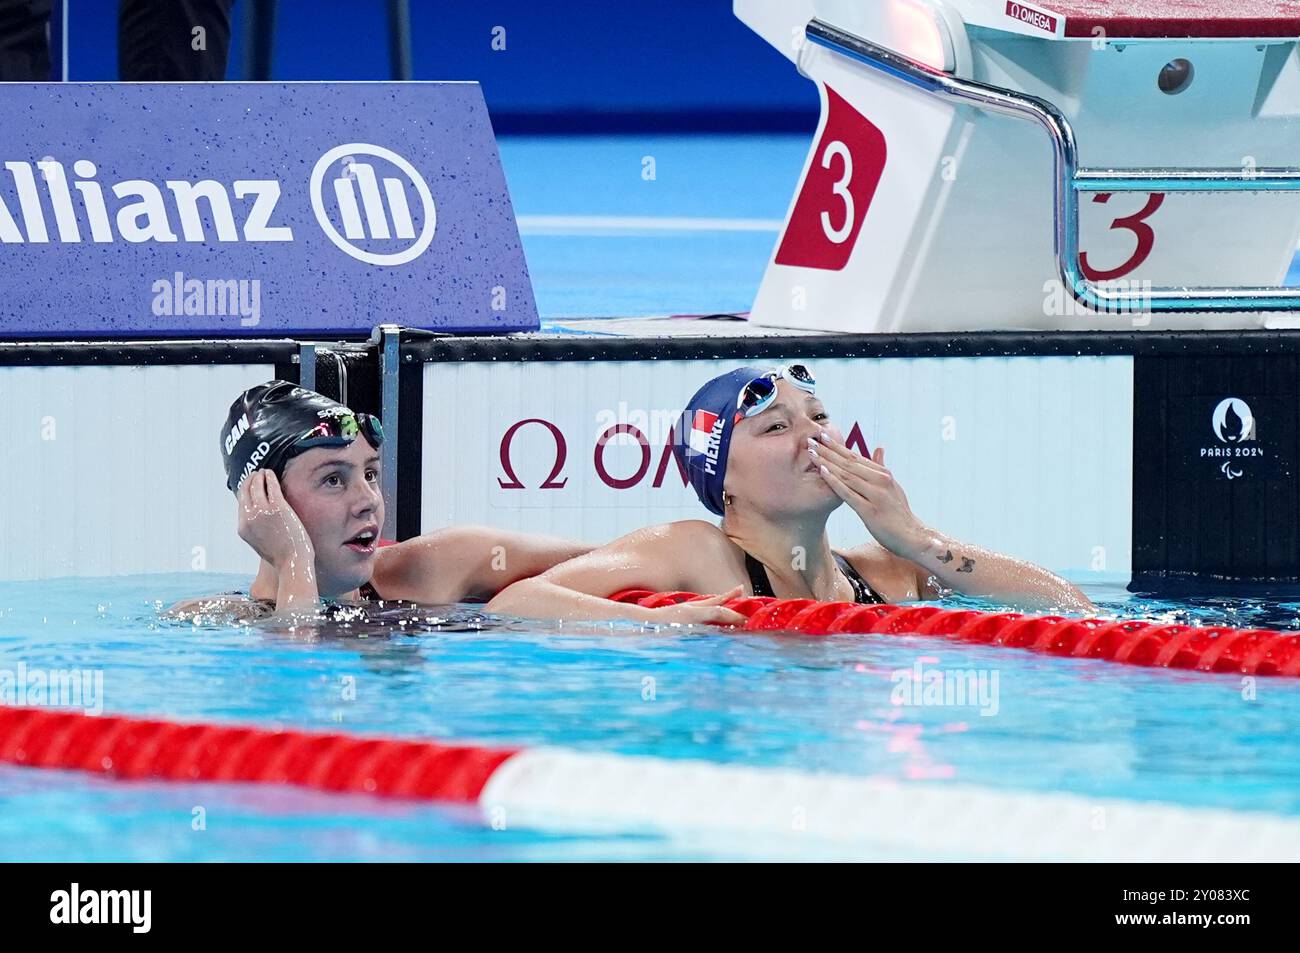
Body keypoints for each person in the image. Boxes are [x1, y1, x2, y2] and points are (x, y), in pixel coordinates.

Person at [487, 364, 1095, 625]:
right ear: (719, 479)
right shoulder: (697, 551)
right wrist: (652, 624)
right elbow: (517, 603)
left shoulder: (888, 572)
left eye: (819, 417)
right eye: (777, 427)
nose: (813, 437)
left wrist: (917, 538)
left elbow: (1069, 607)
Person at [169, 381, 593, 619]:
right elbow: (296, 702)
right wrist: (293, 560)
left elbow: (644, 552)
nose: (368, 500)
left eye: (370, 473)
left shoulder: (429, 568)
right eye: (334, 480)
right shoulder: (209, 619)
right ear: (264, 499)